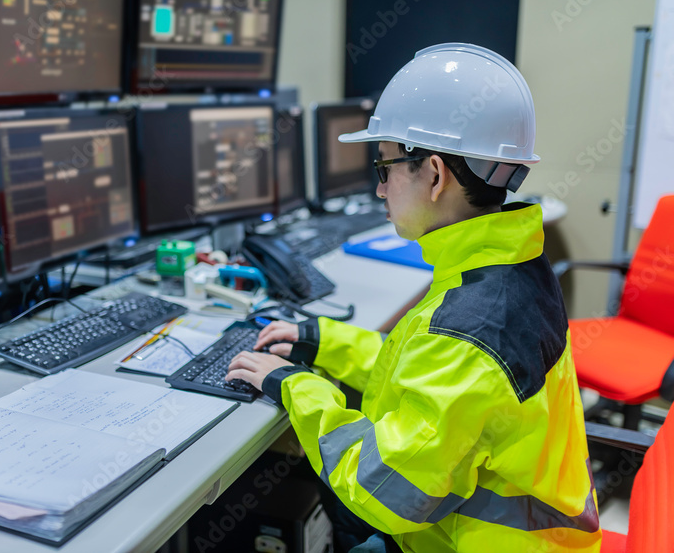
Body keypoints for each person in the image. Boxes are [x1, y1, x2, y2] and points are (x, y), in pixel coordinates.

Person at [226, 43, 601, 552]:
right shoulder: (503, 268)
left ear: (435, 174)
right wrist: (320, 340)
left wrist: (296, 388)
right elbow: (421, 374)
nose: (379, 191)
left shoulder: (470, 328)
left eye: (384, 169)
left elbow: (382, 491)